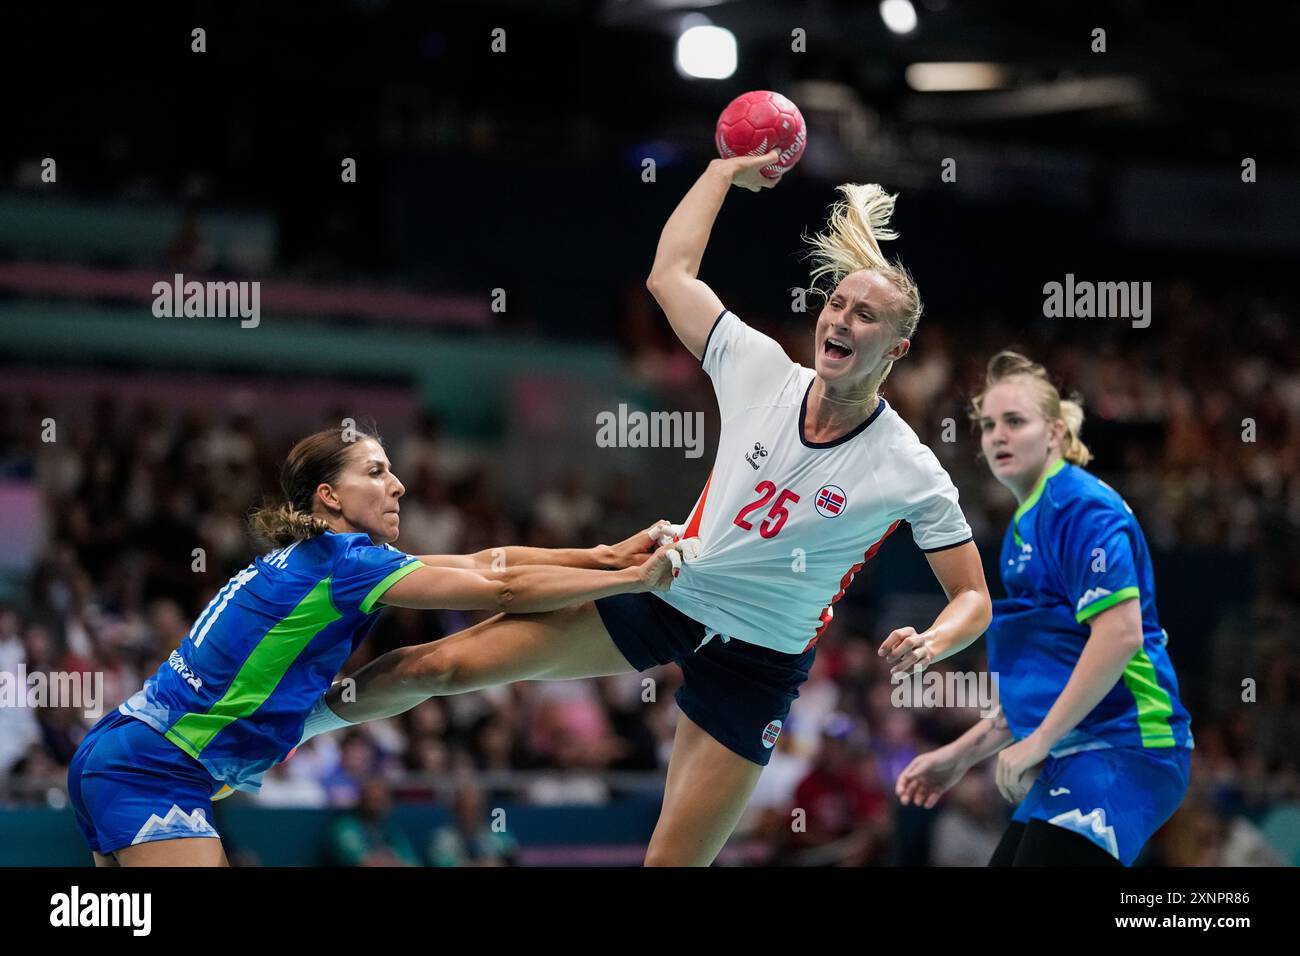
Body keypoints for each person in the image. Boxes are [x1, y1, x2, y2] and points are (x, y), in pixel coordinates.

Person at [300, 151, 992, 866]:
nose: (841, 319)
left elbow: (972, 596)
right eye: (837, 302)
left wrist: (936, 639)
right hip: (663, 592)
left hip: (761, 662)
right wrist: (722, 174)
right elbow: (671, 276)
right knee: (434, 667)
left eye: (866, 314)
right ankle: (279, 730)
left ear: (898, 346)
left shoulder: (910, 468)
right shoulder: (760, 369)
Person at [66, 425, 679, 866]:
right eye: (377, 471)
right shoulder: (348, 564)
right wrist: (628, 582)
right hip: (154, 770)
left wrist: (602, 555)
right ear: (330, 497)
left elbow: (483, 558)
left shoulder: (325, 559)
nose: (400, 485)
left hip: (127, 752)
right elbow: (505, 587)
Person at [895, 352, 1194, 866]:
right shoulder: (1022, 530)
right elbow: (1048, 679)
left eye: (1015, 421)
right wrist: (958, 757)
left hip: (1130, 746)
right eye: (988, 425)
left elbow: (1119, 636)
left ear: (1055, 433)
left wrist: (1039, 743)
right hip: (1074, 752)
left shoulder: (1082, 509)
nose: (997, 436)